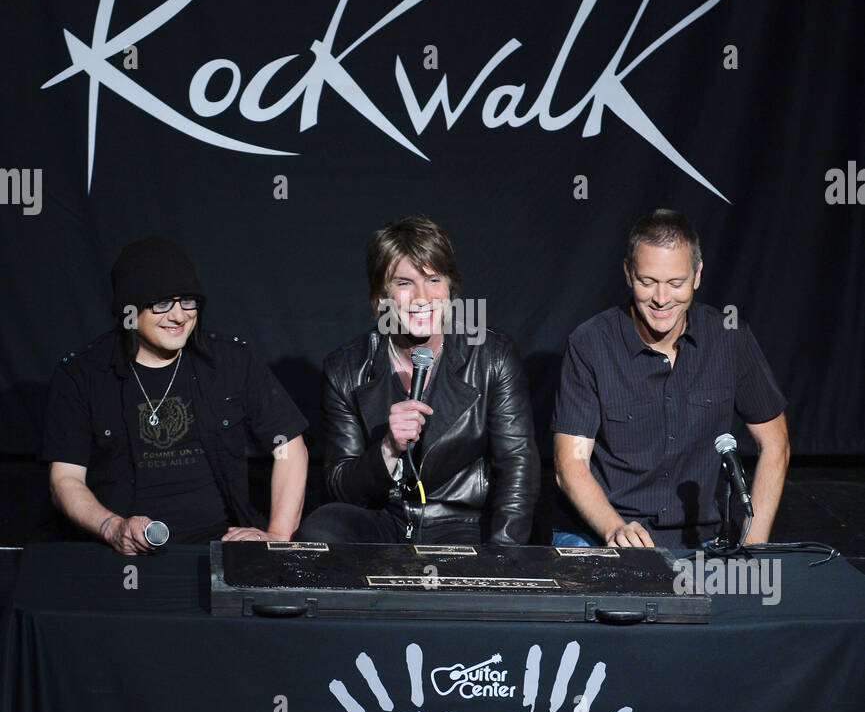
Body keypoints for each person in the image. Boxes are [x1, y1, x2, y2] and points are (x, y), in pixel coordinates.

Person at [42, 237, 308, 554]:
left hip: (219, 544)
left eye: (188, 301)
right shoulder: (84, 375)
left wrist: (276, 536)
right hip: (118, 549)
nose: (179, 316)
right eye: (162, 303)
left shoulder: (229, 361)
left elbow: (288, 444)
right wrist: (113, 528)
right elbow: (65, 481)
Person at [551, 209, 789, 548]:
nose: (661, 299)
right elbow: (569, 463)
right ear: (628, 273)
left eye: (675, 283)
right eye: (648, 282)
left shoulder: (729, 338)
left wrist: (754, 546)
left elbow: (775, 442)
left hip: (700, 539)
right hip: (599, 533)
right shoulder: (589, 343)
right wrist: (614, 529)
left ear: (697, 275)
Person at [298, 215, 539, 545]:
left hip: (463, 520)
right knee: (323, 527)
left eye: (433, 279)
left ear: (450, 287)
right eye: (404, 283)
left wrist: (500, 563)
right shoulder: (346, 368)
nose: (422, 297)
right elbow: (341, 484)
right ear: (381, 295)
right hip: (385, 519)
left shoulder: (492, 356)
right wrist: (387, 448)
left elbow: (517, 464)